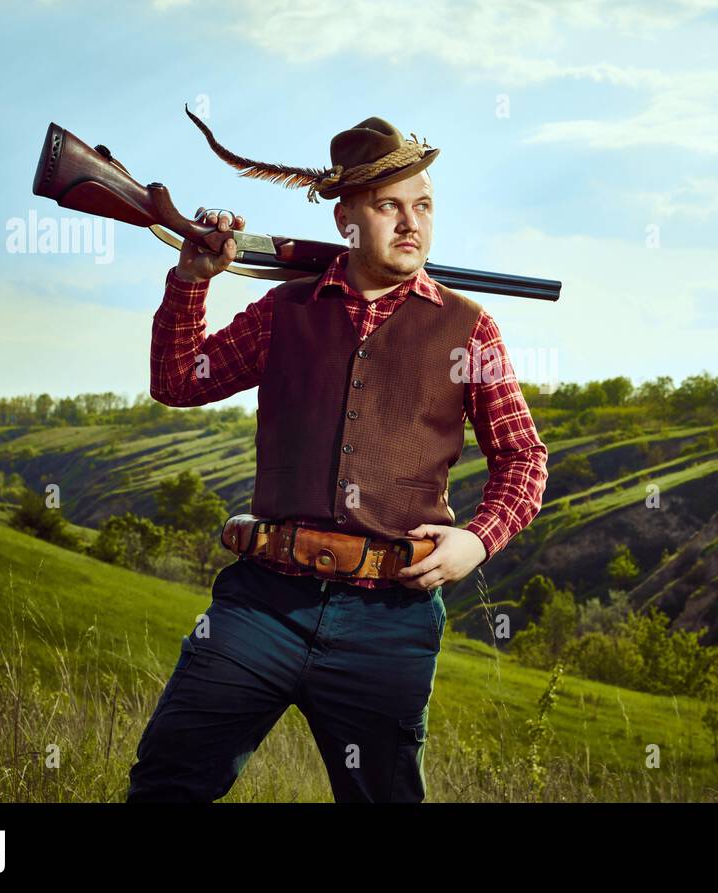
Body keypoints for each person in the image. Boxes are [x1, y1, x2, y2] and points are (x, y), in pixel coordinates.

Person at [126, 115, 548, 802]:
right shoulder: (282, 311)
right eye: (390, 206)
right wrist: (191, 277)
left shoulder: (469, 327)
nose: (412, 223)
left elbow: (523, 457)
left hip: (390, 619)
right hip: (261, 604)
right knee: (166, 784)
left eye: (425, 205)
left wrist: (479, 538)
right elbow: (179, 380)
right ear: (347, 217)